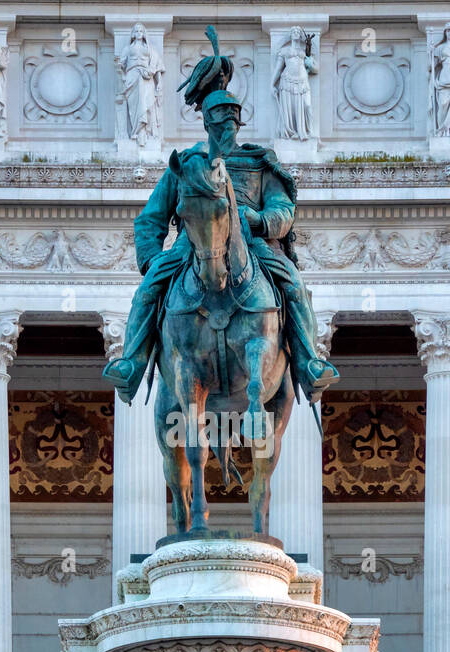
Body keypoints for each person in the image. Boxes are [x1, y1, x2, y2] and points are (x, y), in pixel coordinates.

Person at [102, 30, 338, 407]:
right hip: (190, 248)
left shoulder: (259, 163)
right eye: (220, 118)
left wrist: (259, 221)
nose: (227, 124)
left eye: (233, 117)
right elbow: (150, 220)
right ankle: (131, 362)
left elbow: (284, 211)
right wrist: (151, 261)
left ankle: (309, 362)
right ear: (207, 123)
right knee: (149, 291)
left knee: (292, 282)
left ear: (240, 121)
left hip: (253, 246)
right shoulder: (188, 165)